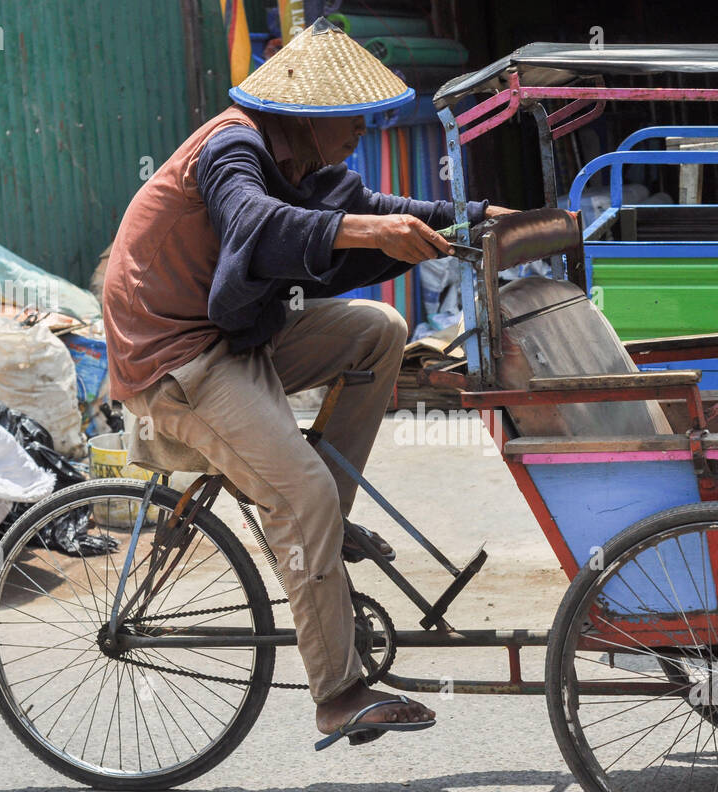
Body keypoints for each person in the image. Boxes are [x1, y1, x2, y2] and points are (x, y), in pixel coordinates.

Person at [103, 18, 513, 750]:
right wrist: (363, 233)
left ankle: (315, 522)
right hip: (177, 360)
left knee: (378, 329)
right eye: (350, 116)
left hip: (235, 334)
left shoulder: (305, 164)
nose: (360, 128)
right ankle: (337, 691)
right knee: (304, 495)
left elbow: (380, 212)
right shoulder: (234, 147)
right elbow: (258, 224)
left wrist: (478, 220)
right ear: (309, 114)